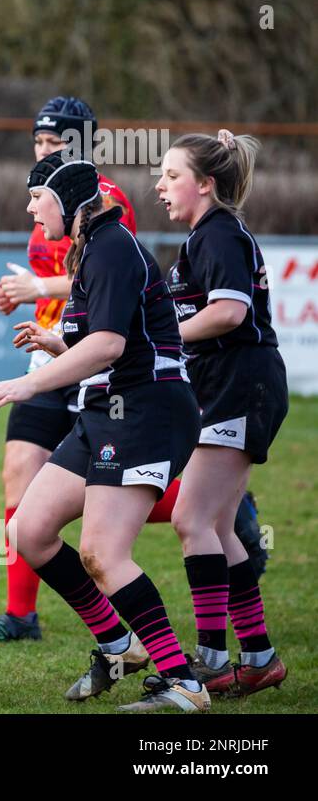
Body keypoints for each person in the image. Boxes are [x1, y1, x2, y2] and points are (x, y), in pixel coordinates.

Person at [0, 154, 208, 712]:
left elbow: (109, 347)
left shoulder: (112, 248)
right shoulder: (91, 250)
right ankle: (116, 646)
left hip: (148, 409)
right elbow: (105, 340)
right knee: (29, 531)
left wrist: (28, 385)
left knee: (102, 553)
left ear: (69, 201)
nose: (31, 208)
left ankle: (184, 681)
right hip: (108, 408)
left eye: (39, 197)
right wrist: (54, 343)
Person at [158, 129, 288, 698]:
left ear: (205, 185)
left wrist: (159, 341)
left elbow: (230, 312)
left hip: (242, 385)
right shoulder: (204, 237)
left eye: (172, 176)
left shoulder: (217, 234)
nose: (159, 186)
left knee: (193, 520)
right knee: (212, 524)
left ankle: (210, 657)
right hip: (230, 385)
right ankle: (256, 657)